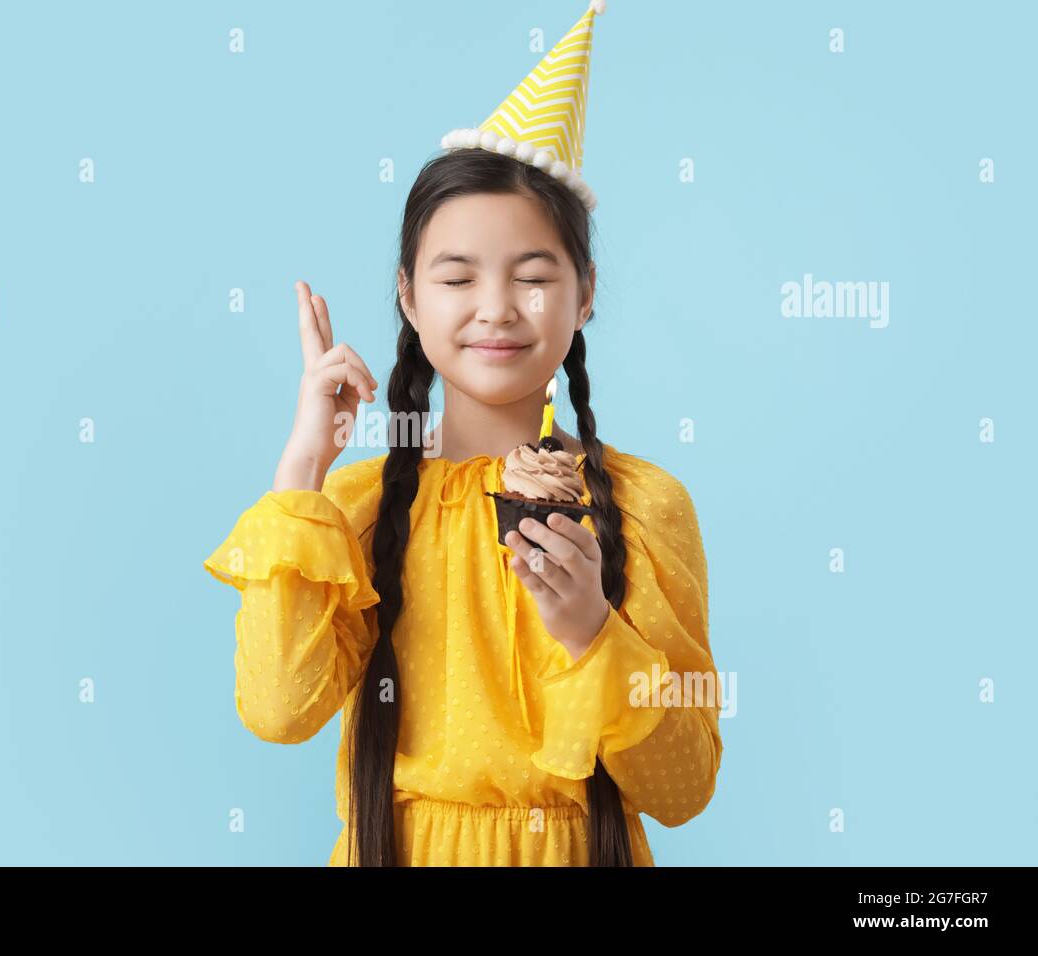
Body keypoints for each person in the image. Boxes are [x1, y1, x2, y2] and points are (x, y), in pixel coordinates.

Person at [203, 0, 722, 866]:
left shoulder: (641, 507)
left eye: (532, 275)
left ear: (584, 293)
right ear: (408, 296)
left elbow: (685, 790)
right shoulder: (355, 508)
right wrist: (303, 469)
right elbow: (279, 710)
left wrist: (594, 629)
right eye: (456, 277)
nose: (495, 310)